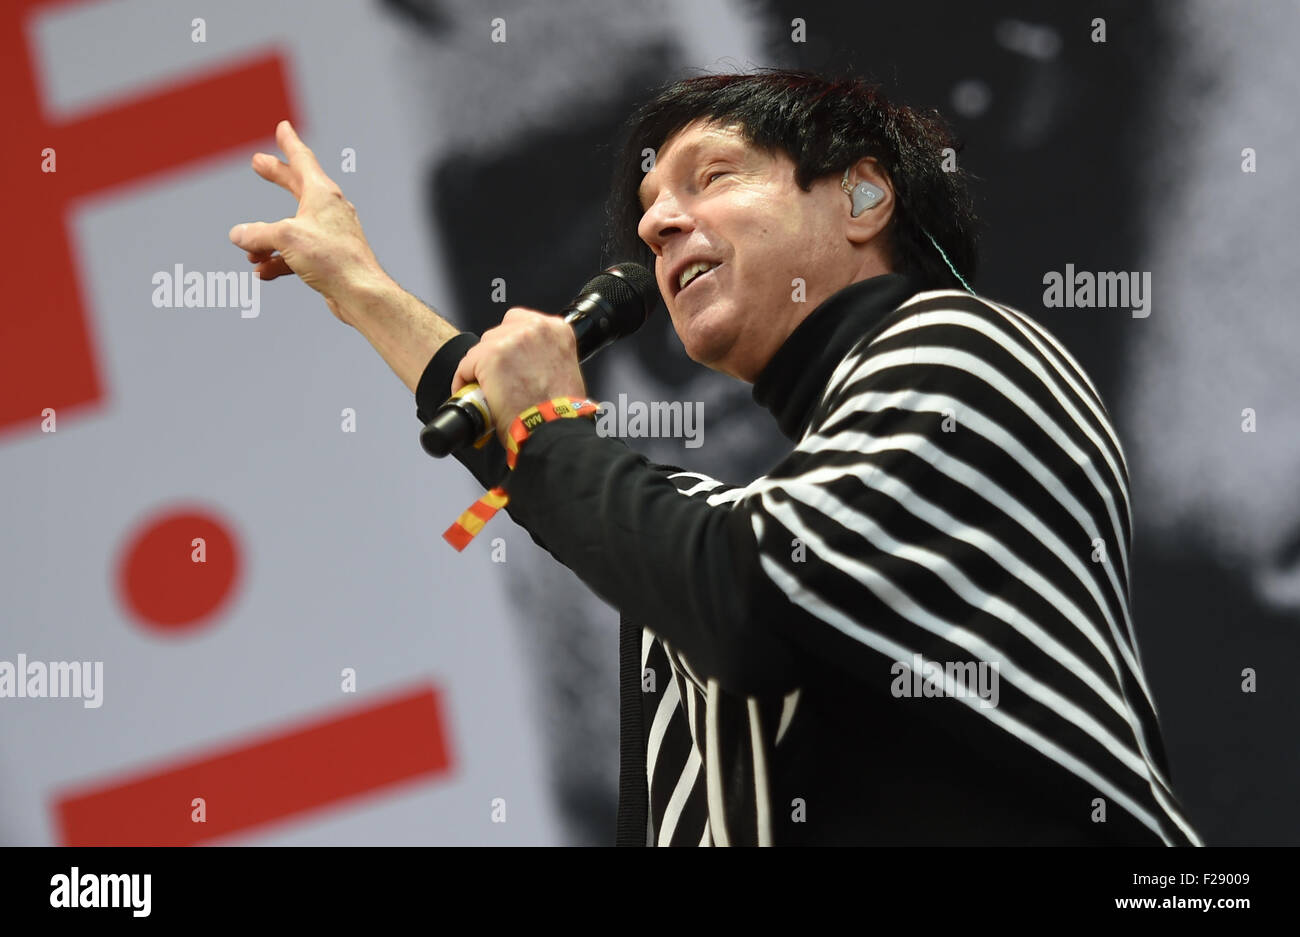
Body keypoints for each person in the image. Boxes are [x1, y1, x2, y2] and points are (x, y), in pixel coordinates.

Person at [229, 70, 1202, 846]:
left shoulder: (961, 350)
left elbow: (737, 597)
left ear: (864, 195)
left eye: (712, 177)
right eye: (651, 205)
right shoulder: (763, 524)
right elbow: (616, 513)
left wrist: (555, 426)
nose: (654, 223)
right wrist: (359, 287)